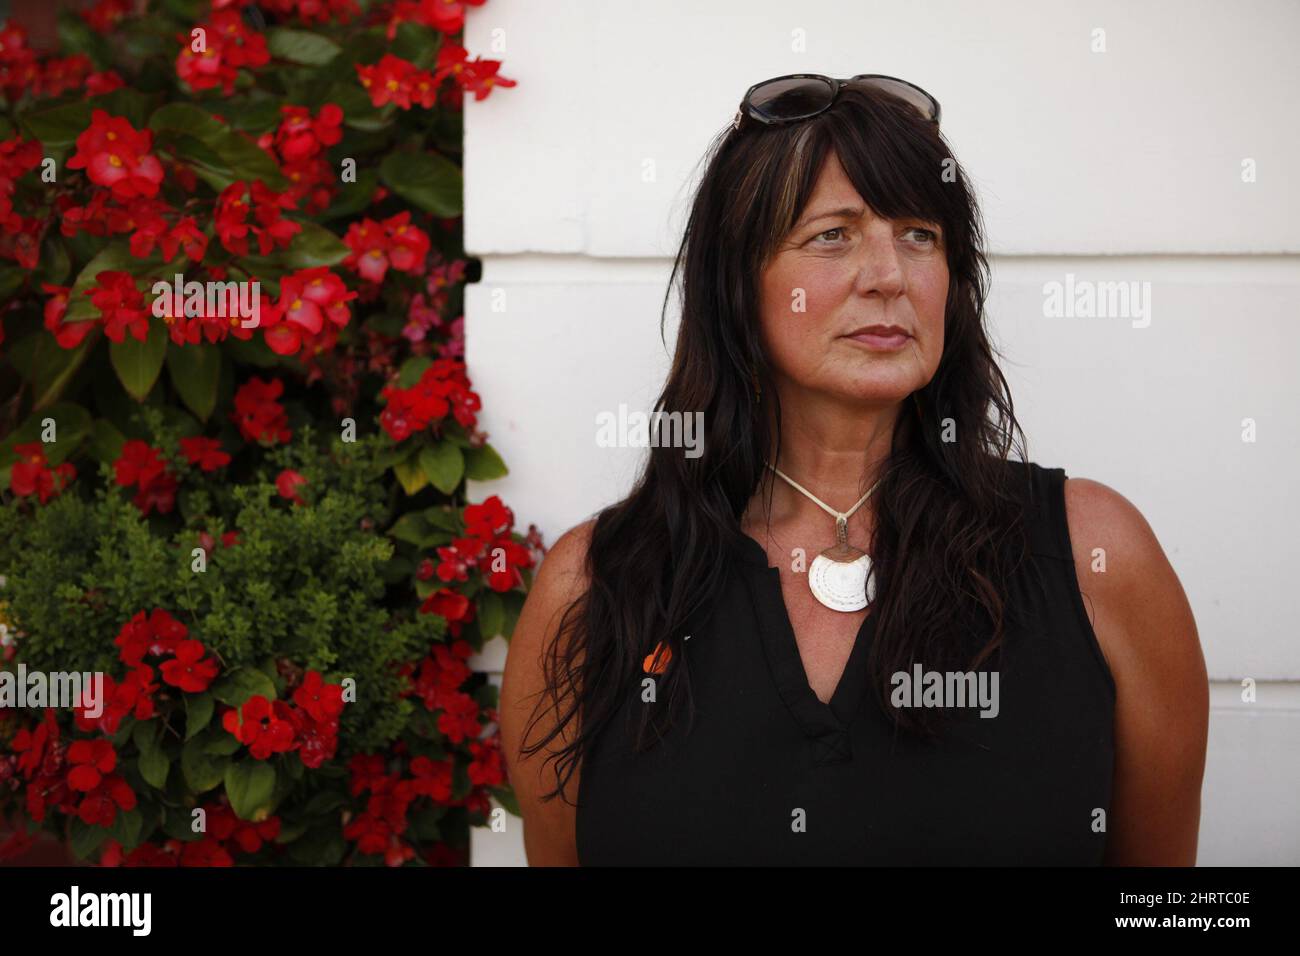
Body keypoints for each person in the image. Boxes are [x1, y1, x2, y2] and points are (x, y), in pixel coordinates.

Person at [500, 74, 1208, 865]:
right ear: (737, 283)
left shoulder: (1094, 558)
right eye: (833, 235)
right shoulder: (593, 589)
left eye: (920, 235)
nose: (889, 275)